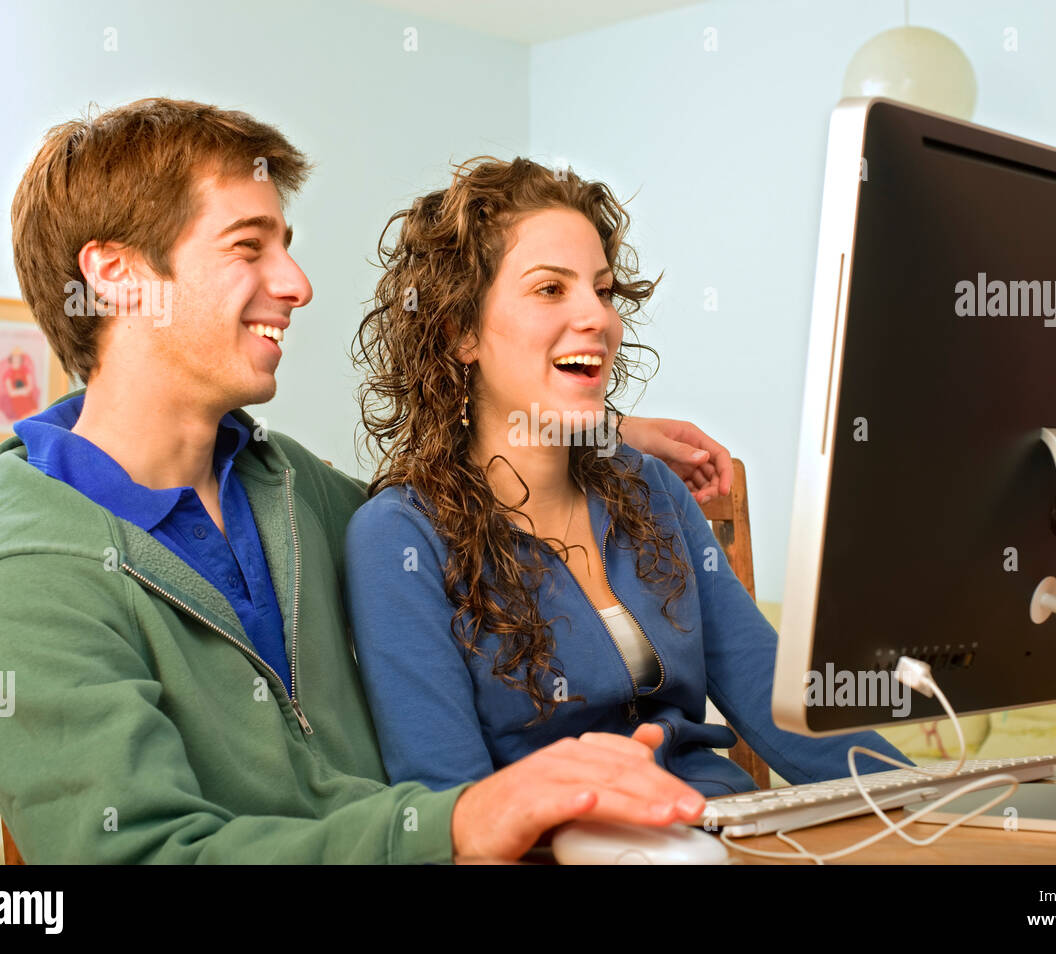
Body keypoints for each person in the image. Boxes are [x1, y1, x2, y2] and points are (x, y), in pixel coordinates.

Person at [0, 99, 747, 863]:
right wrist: (454, 823)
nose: (297, 285)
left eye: (288, 248)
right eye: (249, 246)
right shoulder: (25, 586)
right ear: (116, 275)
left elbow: (458, 500)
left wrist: (587, 426)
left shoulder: (290, 489)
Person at [346, 156, 911, 796]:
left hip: (724, 827)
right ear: (460, 331)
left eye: (604, 290)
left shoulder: (649, 489)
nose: (599, 318)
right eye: (550, 288)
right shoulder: (401, 537)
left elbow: (773, 691)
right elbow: (450, 801)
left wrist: (938, 803)